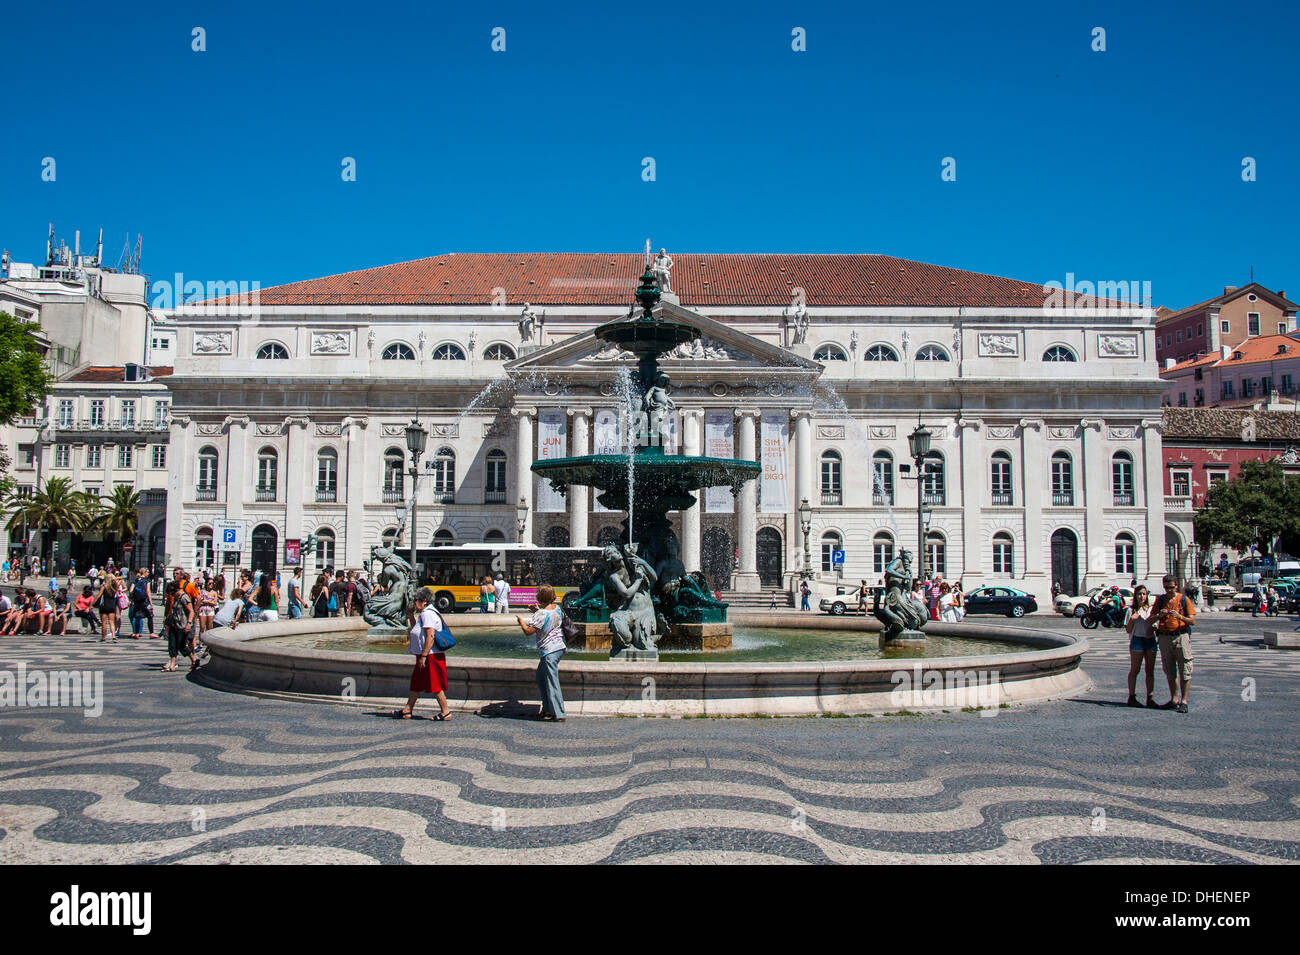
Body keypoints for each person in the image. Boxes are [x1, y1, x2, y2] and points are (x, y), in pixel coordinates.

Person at [393, 587, 452, 720]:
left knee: (435, 683)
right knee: (417, 683)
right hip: (425, 654)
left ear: (424, 601)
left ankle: (446, 711)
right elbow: (417, 631)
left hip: (430, 655)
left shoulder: (427, 614)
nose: (414, 603)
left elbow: (430, 635)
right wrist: (410, 617)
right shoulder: (425, 613)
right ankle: (407, 710)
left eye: (416, 600)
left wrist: (424, 656)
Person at [517, 584, 566, 722]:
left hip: (549, 651)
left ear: (540, 597)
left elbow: (528, 631)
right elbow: (548, 617)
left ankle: (559, 713)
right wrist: (537, 610)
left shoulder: (540, 614)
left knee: (551, 681)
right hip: (559, 648)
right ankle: (547, 709)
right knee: (541, 677)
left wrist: (521, 622)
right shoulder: (557, 609)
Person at [1153, 573, 1195, 713]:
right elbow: (1152, 619)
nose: (1168, 590)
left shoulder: (1184, 599)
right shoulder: (1160, 600)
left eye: (1171, 587)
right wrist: (1160, 615)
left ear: (1176, 586)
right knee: (1169, 671)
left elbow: (1192, 621)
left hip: (1181, 636)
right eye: (1166, 588)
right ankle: (1174, 699)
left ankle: (1184, 701)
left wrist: (1180, 616)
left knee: (1185, 670)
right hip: (1164, 637)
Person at [1124, 585, 1159, 708]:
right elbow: (1128, 630)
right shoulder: (1130, 610)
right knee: (1135, 669)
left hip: (1150, 640)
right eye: (1139, 594)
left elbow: (1156, 626)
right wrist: (1133, 620)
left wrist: (1154, 625)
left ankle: (1150, 697)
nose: (1141, 597)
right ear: (1135, 596)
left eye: (1144, 594)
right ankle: (1132, 696)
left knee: (1150, 670)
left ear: (1147, 596)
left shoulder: (1151, 610)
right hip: (1137, 640)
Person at [162, 580, 198, 672]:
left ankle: (193, 659)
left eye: (171, 593)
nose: (171, 595)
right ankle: (172, 665)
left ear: (175, 590)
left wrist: (189, 624)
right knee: (172, 644)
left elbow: (191, 611)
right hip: (174, 624)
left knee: (181, 645)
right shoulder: (176, 597)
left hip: (183, 625)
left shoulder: (183, 597)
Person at [94, 573, 121, 643]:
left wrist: (92, 603)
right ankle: (113, 636)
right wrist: (115, 579)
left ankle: (103, 637)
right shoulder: (115, 586)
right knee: (112, 622)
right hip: (112, 605)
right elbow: (121, 579)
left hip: (104, 605)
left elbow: (99, 595)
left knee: (104, 622)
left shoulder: (103, 586)